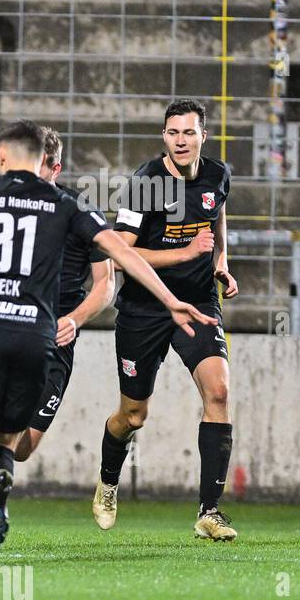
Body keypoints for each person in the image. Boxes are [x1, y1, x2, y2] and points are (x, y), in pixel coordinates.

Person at [0, 119, 216, 566]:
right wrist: (171, 299)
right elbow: (124, 253)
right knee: (5, 443)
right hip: (36, 336)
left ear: (1, 156)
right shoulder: (64, 207)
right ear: (42, 162)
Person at [0, 127, 115, 547]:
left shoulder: (73, 209)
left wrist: (75, 318)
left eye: (51, 168)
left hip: (53, 338)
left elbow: (105, 284)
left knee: (20, 447)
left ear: (57, 167)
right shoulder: (4, 203)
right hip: (4, 328)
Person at [92, 99, 239, 541]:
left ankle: (209, 512)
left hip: (196, 306)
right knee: (133, 415)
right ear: (164, 137)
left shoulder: (218, 175)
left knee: (219, 390)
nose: (181, 140)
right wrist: (185, 253)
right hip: (145, 309)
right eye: (173, 133)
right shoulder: (145, 184)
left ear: (202, 136)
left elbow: (216, 222)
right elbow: (121, 252)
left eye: (189, 132)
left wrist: (220, 262)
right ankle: (108, 480)